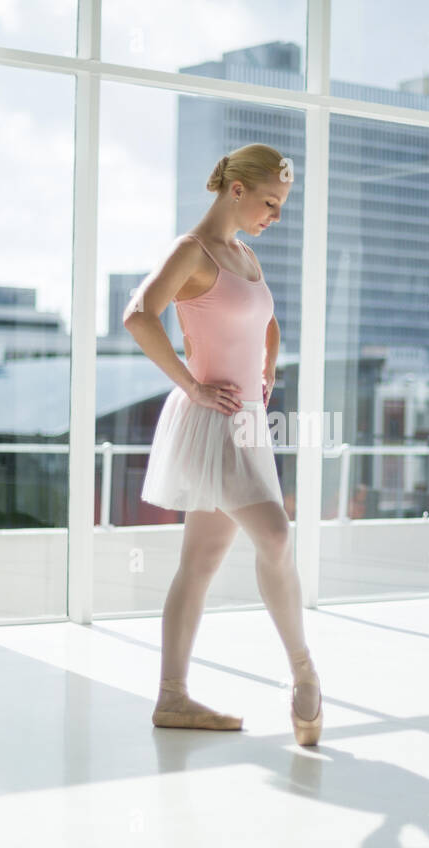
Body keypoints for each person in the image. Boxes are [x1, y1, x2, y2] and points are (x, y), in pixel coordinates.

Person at [122, 143, 322, 746]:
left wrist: (267, 374)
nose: (275, 215)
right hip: (215, 422)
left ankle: (172, 698)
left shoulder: (246, 257)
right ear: (236, 191)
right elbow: (139, 315)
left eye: (282, 205)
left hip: (248, 422)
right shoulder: (194, 251)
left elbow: (269, 324)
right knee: (276, 535)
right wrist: (192, 385)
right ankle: (305, 676)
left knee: (201, 562)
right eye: (270, 202)